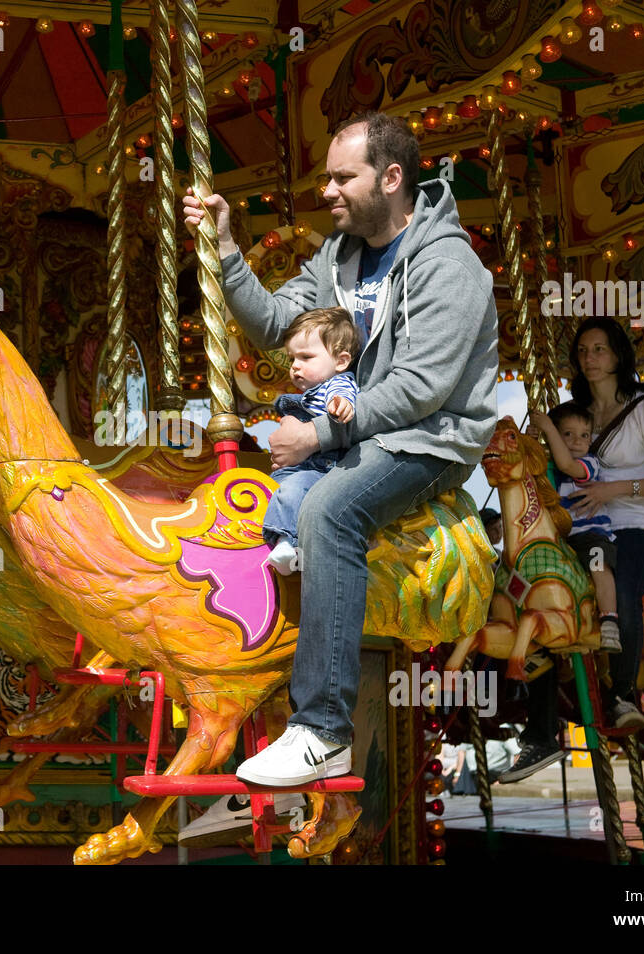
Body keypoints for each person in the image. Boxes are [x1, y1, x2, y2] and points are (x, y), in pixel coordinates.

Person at [182, 110, 499, 786]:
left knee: (329, 510)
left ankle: (323, 728)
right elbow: (274, 326)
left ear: (389, 178)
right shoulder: (338, 260)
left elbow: (422, 386)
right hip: (357, 430)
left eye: (340, 177)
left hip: (427, 437)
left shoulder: (450, 266)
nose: (325, 191)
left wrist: (322, 433)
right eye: (326, 177)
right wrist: (227, 250)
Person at [503, 316, 644, 781]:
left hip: (637, 522)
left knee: (621, 587)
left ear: (619, 355)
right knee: (526, 596)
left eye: (599, 349)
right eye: (583, 350)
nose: (590, 358)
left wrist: (613, 489)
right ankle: (541, 733)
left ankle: (623, 693)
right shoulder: (573, 414)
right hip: (577, 525)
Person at [263, 306, 362, 575]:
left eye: (306, 357)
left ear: (341, 361)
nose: (295, 365)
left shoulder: (336, 383)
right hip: (297, 468)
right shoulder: (309, 392)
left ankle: (288, 544)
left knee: (295, 489)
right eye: (293, 358)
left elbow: (344, 393)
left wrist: (341, 405)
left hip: (322, 468)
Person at [530, 402, 622, 653]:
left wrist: (548, 429)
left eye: (584, 435)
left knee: (598, 566)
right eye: (567, 434)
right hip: (564, 539)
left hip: (592, 535)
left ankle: (609, 621)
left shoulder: (588, 464)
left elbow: (566, 465)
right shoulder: (551, 472)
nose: (577, 441)